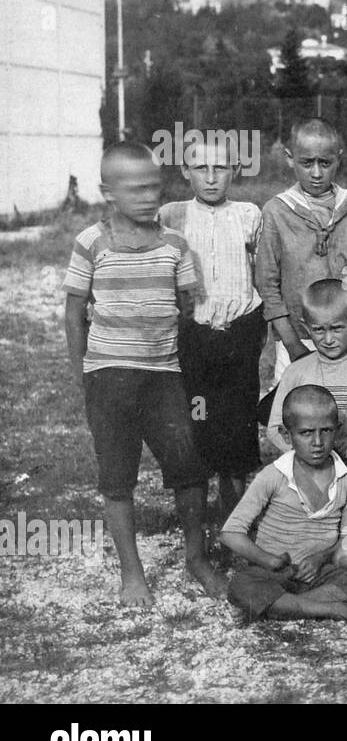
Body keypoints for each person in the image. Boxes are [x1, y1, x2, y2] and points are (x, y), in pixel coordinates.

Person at [64, 143, 223, 606]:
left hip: (163, 376)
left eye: (154, 186)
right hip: (109, 378)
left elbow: (187, 308)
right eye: (135, 189)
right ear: (107, 192)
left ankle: (197, 559)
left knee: (187, 467)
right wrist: (84, 375)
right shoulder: (91, 242)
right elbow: (74, 315)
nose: (148, 197)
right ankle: (132, 573)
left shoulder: (175, 245)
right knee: (117, 476)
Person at [158, 137, 264, 520]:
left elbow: (262, 271)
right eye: (201, 168)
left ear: (233, 170)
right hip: (195, 334)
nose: (212, 178)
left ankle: (234, 512)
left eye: (220, 168)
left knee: (237, 419)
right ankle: (196, 510)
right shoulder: (172, 215)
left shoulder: (250, 214)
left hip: (239, 332)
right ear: (186, 171)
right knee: (198, 415)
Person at [222, 385, 347, 622]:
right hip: (272, 572)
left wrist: (321, 558)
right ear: (287, 435)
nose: (317, 442)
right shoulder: (273, 476)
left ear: (336, 430)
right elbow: (231, 533)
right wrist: (268, 560)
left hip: (318, 574)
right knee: (241, 586)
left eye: (326, 431)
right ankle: (331, 609)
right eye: (306, 433)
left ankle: (284, 608)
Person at [255, 118, 347, 380]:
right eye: (306, 163)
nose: (316, 173)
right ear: (290, 158)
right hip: (298, 338)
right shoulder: (277, 210)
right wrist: (290, 342)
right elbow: (267, 281)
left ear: (338, 158)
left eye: (325, 163)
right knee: (296, 408)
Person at [267, 279, 347, 478]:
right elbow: (274, 428)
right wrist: (306, 453)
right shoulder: (296, 371)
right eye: (319, 330)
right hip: (310, 476)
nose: (328, 339)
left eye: (337, 328)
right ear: (306, 328)